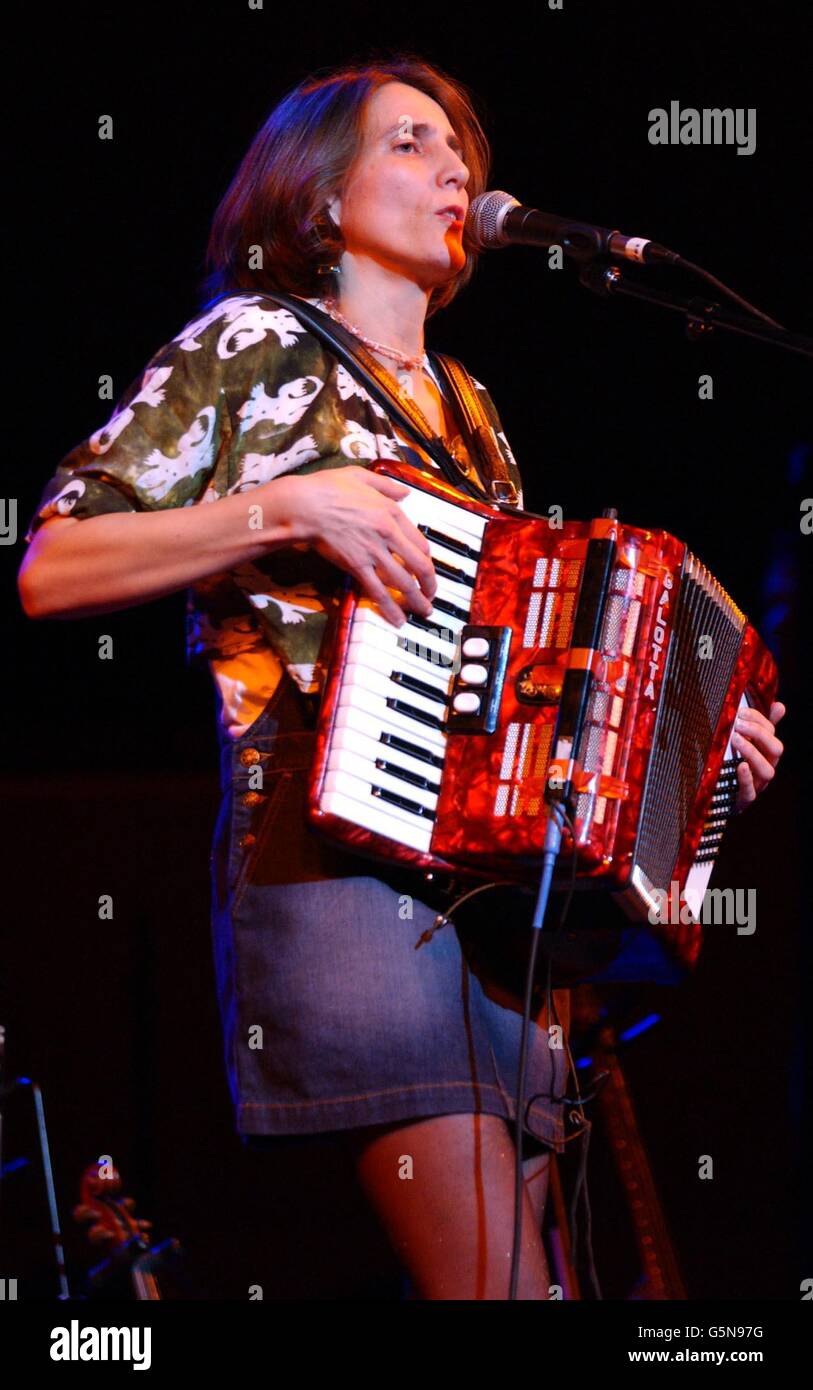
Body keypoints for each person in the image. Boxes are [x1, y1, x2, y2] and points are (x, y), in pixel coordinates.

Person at [17, 56, 785, 1301]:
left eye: (460, 149)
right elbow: (51, 564)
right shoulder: (253, 345)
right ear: (320, 200)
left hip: (490, 910)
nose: (456, 172)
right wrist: (282, 504)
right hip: (334, 863)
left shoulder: (472, 413)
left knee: (541, 1285)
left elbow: (530, 686)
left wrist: (689, 762)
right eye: (411, 145)